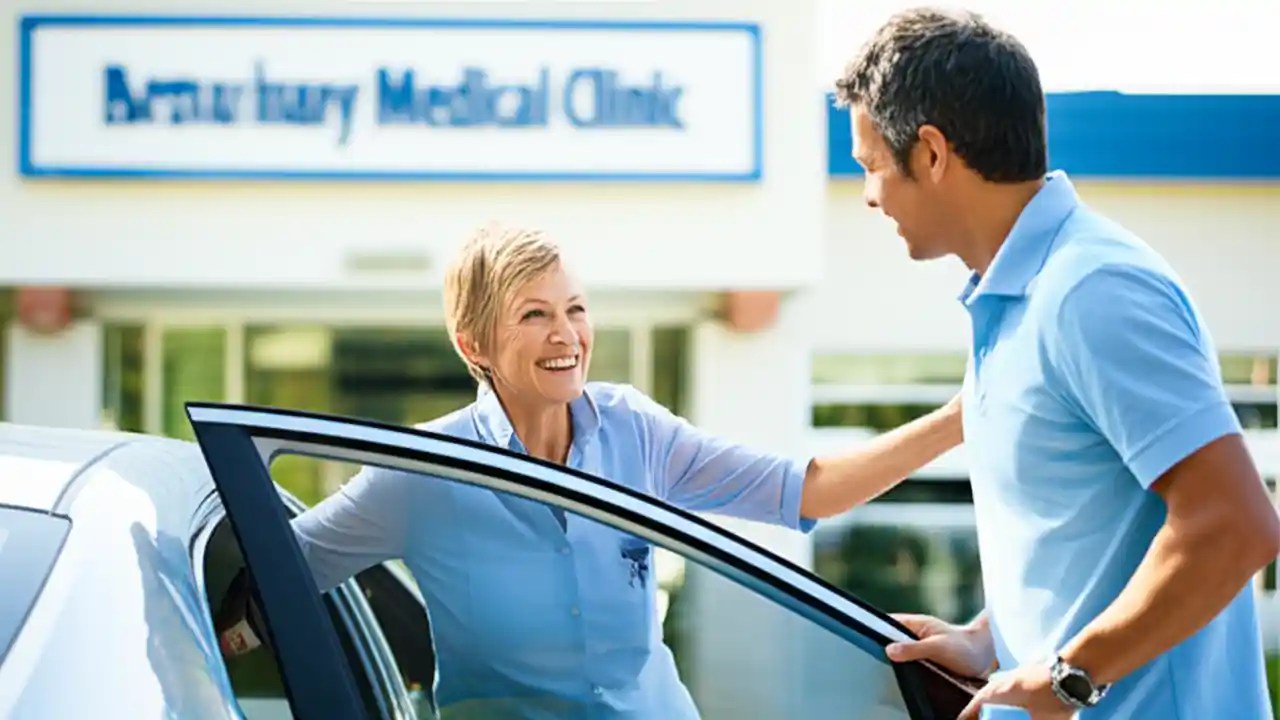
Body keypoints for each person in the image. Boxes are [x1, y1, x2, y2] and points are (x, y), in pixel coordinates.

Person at [217, 222, 964, 718]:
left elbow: (809, 489)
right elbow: (275, 577)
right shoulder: (423, 474)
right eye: (534, 314)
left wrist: (964, 419)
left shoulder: (633, 430)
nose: (567, 335)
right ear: (473, 343)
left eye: (574, 309)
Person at [834, 7, 1280, 720]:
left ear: (932, 153)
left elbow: (1234, 524)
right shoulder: (1012, 300)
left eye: (871, 165)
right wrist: (991, 638)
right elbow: (1083, 533)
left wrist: (1073, 676)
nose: (868, 194)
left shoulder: (1092, 291)